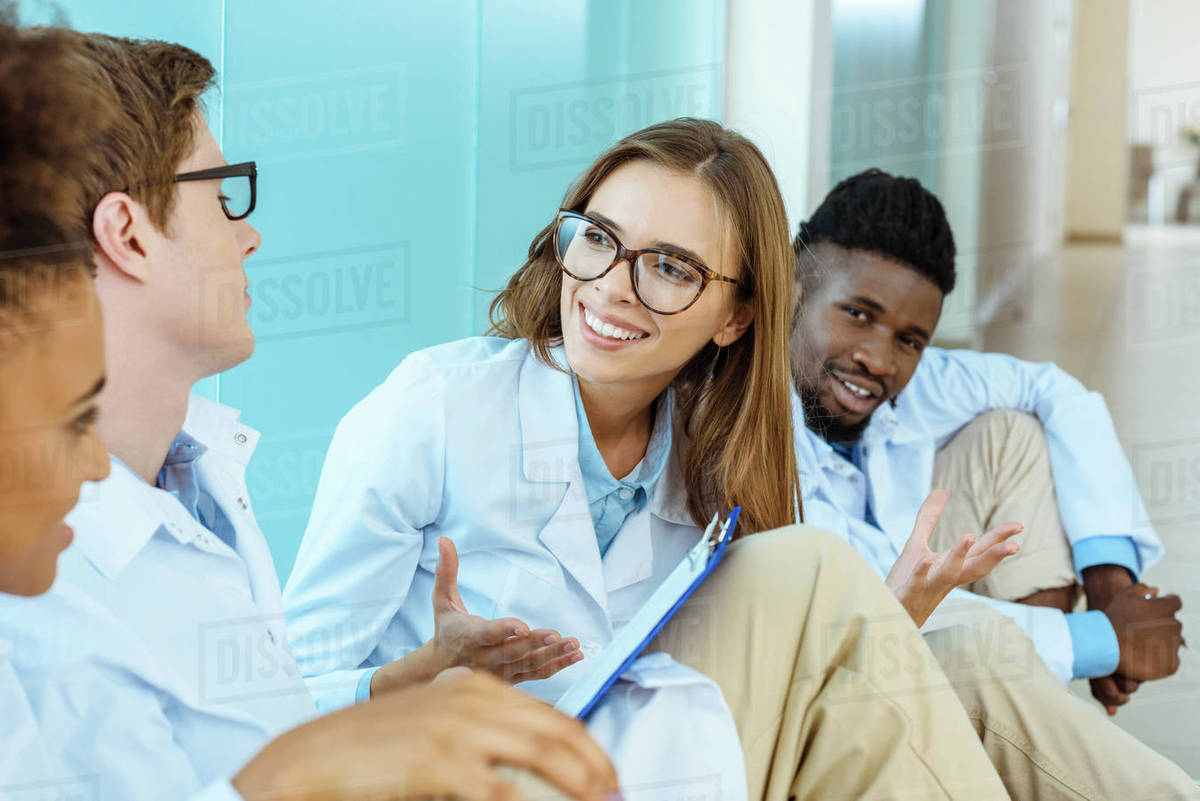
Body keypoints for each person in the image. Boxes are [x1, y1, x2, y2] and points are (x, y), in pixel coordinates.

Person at [283, 118, 1017, 801]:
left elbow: (726, 683)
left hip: (647, 774)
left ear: (737, 316)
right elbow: (281, 708)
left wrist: (880, 622)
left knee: (947, 667)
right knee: (819, 570)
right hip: (461, 781)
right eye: (598, 237)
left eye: (671, 267)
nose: (609, 285)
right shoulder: (433, 408)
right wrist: (419, 674)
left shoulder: (717, 462)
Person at [0, 28, 618, 801]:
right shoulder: (39, 566)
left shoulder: (197, 470)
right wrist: (293, 777)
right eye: (222, 199)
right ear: (127, 234)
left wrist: (399, 687)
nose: (249, 236)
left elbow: (256, 726)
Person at [790, 168, 1196, 800]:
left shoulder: (901, 380)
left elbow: (1057, 390)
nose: (879, 358)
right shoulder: (745, 420)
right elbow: (864, 595)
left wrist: (1111, 581)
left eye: (910, 339)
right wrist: (1104, 640)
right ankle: (1028, 729)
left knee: (1014, 434)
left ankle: (1026, 724)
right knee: (973, 650)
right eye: (857, 314)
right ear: (794, 285)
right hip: (827, 662)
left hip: (904, 616)